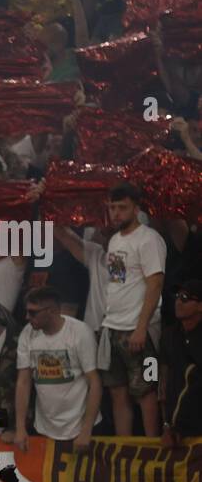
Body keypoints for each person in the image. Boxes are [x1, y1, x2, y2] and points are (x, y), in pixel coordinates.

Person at [102, 182, 165, 436]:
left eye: (122, 207)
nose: (116, 213)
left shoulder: (149, 239)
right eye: (113, 207)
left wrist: (141, 328)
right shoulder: (115, 239)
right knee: (118, 392)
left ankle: (152, 448)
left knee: (147, 391)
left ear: (136, 208)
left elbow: (156, 283)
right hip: (113, 326)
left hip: (141, 329)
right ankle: (123, 449)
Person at [15, 286, 101, 451]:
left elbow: (94, 382)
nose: (27, 317)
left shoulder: (80, 332)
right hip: (44, 427)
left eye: (33, 313)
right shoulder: (27, 333)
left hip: (80, 425)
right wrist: (20, 427)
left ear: (51, 311)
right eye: (27, 312)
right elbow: (23, 382)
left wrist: (86, 430)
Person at [160, 279, 202, 447]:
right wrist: (166, 426)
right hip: (175, 430)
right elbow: (162, 382)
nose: (178, 301)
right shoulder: (169, 335)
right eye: (177, 296)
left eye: (185, 298)